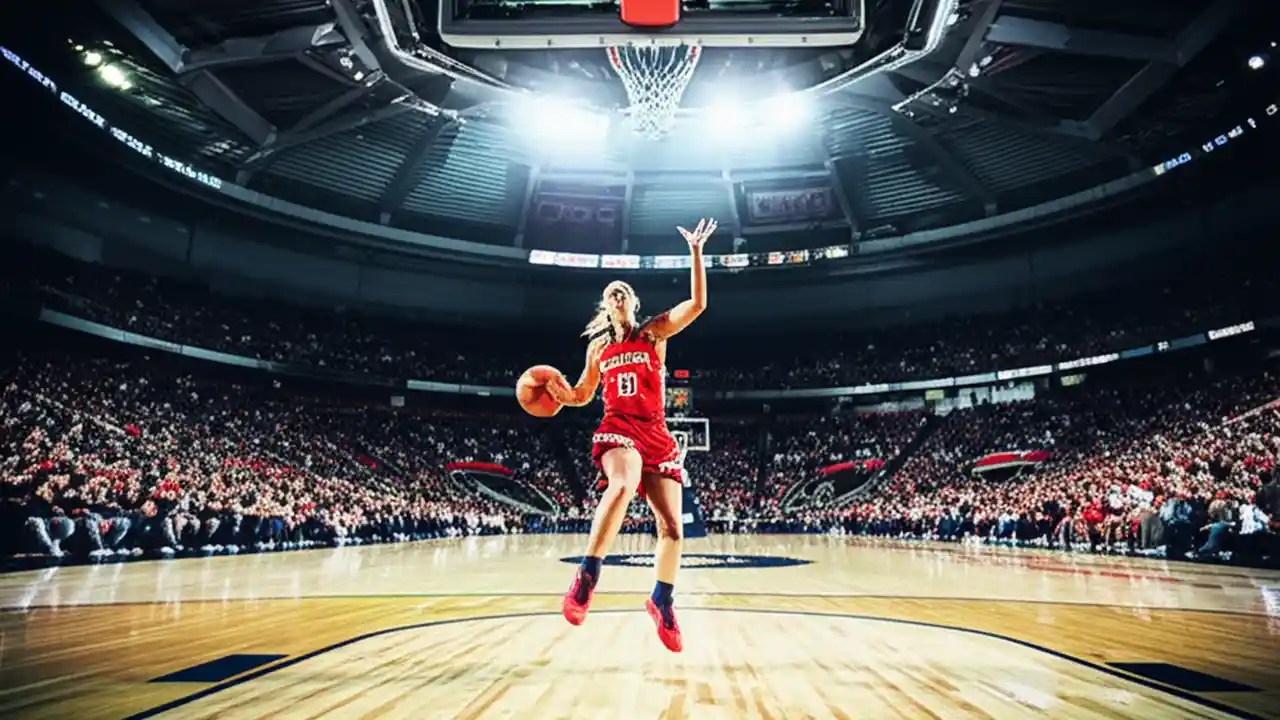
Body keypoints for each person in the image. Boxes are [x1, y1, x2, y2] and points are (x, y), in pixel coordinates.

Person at [546, 217, 718, 653]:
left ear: (633, 301)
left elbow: (697, 304)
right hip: (618, 427)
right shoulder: (598, 348)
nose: (616, 294)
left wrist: (696, 251)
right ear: (605, 307)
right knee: (622, 483)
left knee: (673, 529)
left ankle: (662, 599)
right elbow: (582, 394)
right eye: (609, 293)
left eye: (622, 291)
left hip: (656, 433)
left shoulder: (654, 333)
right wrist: (556, 392)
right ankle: (587, 575)